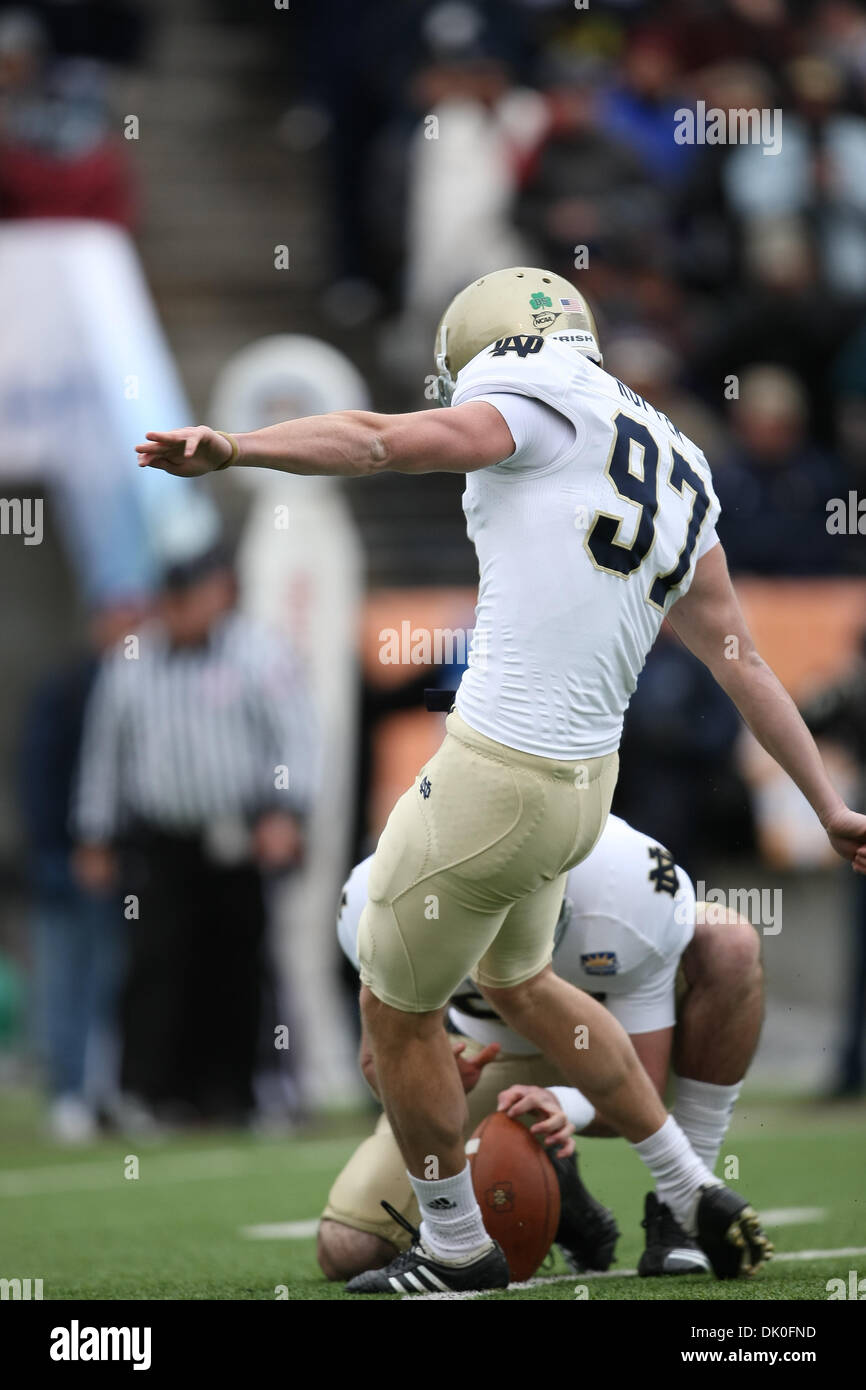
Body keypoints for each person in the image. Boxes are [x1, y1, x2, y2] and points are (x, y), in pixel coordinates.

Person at [136, 266, 866, 1293]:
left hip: (499, 770)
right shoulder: (678, 453)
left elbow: (386, 441)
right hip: (581, 788)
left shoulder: (537, 392)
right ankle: (683, 1180)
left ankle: (451, 1248)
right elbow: (740, 658)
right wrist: (825, 801)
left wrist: (239, 448)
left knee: (394, 1010)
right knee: (521, 982)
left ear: (488, 347)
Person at [319, 814, 762, 1282]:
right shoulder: (380, 896)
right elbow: (377, 1061)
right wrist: (433, 1073)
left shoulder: (627, 886)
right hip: (486, 1057)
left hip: (614, 1057)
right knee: (351, 1246)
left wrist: (567, 1104)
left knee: (726, 942)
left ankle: (683, 1209)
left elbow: (642, 1093)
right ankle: (558, 1201)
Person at [73, 546, 314, 1125]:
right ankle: (151, 1094)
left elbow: (297, 737)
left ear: (219, 594)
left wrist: (286, 811)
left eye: (192, 598)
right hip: (161, 842)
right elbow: (106, 753)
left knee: (239, 964)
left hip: (237, 836)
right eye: (172, 601)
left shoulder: (258, 654)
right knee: (155, 966)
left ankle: (239, 1094)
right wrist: (95, 834)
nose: (181, 612)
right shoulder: (131, 661)